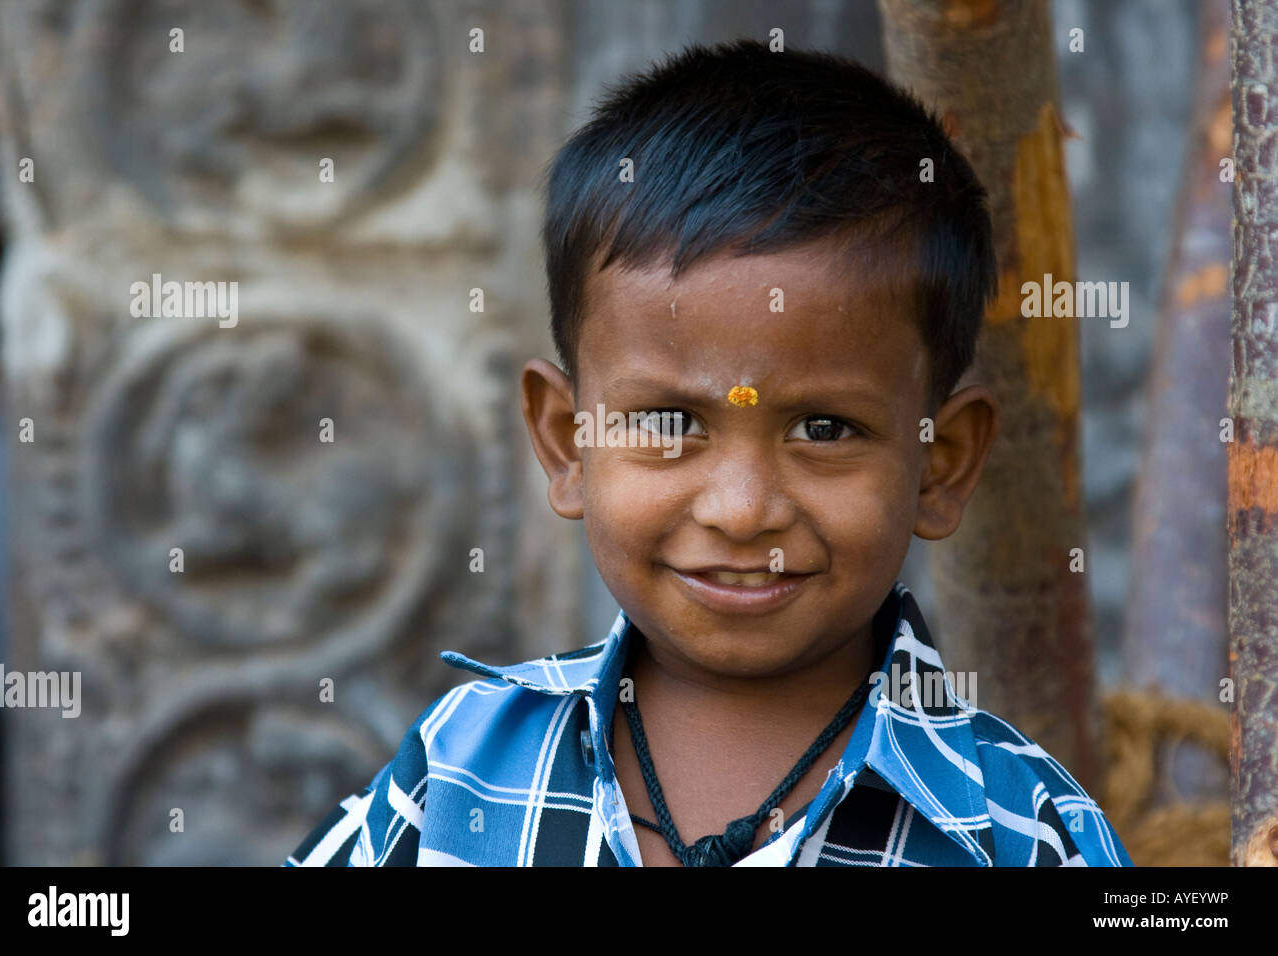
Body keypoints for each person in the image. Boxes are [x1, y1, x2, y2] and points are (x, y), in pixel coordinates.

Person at [286, 38, 1132, 867]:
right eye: (666, 424)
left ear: (940, 464)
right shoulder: (461, 771)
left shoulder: (1020, 832)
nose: (741, 510)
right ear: (565, 441)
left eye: (825, 429)